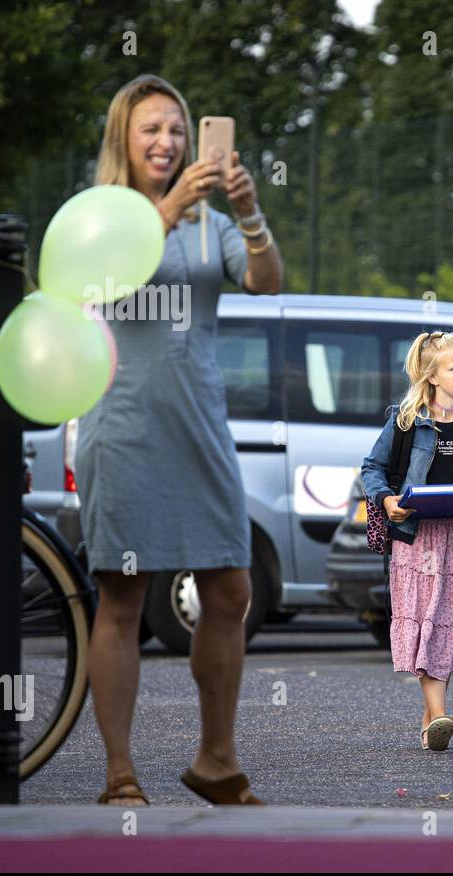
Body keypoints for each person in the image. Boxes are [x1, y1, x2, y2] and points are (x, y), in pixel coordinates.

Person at [76, 75, 282, 807]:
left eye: (176, 129)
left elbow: (266, 280)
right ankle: (119, 774)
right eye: (150, 130)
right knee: (124, 595)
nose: (167, 142)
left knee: (231, 587)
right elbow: (97, 280)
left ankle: (217, 761)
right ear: (122, 141)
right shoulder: (100, 215)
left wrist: (248, 214)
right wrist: (164, 210)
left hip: (199, 423)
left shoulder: (209, 223)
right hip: (123, 424)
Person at [361, 332, 453, 751]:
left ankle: (430, 721)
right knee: (428, 620)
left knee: (445, 624)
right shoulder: (405, 419)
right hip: (417, 540)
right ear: (431, 376)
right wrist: (387, 500)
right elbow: (372, 467)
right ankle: (439, 714)